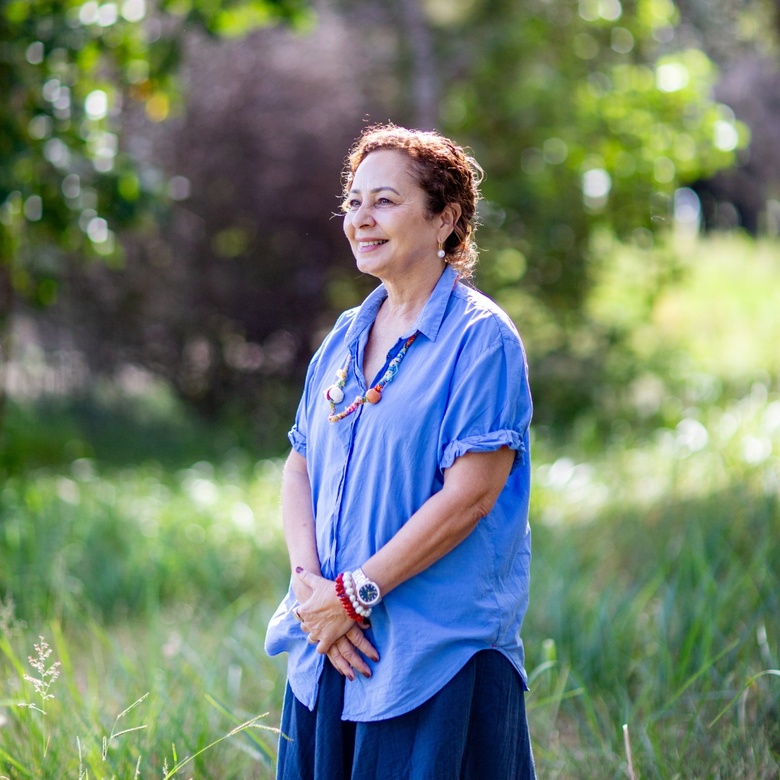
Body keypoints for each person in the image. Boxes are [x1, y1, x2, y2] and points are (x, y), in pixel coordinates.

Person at [265, 123, 536, 780]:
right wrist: (311, 590)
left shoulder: (482, 342)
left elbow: (469, 498)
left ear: (446, 220)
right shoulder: (343, 336)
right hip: (329, 644)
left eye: (384, 201)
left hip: (431, 657)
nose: (361, 218)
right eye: (353, 202)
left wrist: (356, 593)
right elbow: (301, 463)